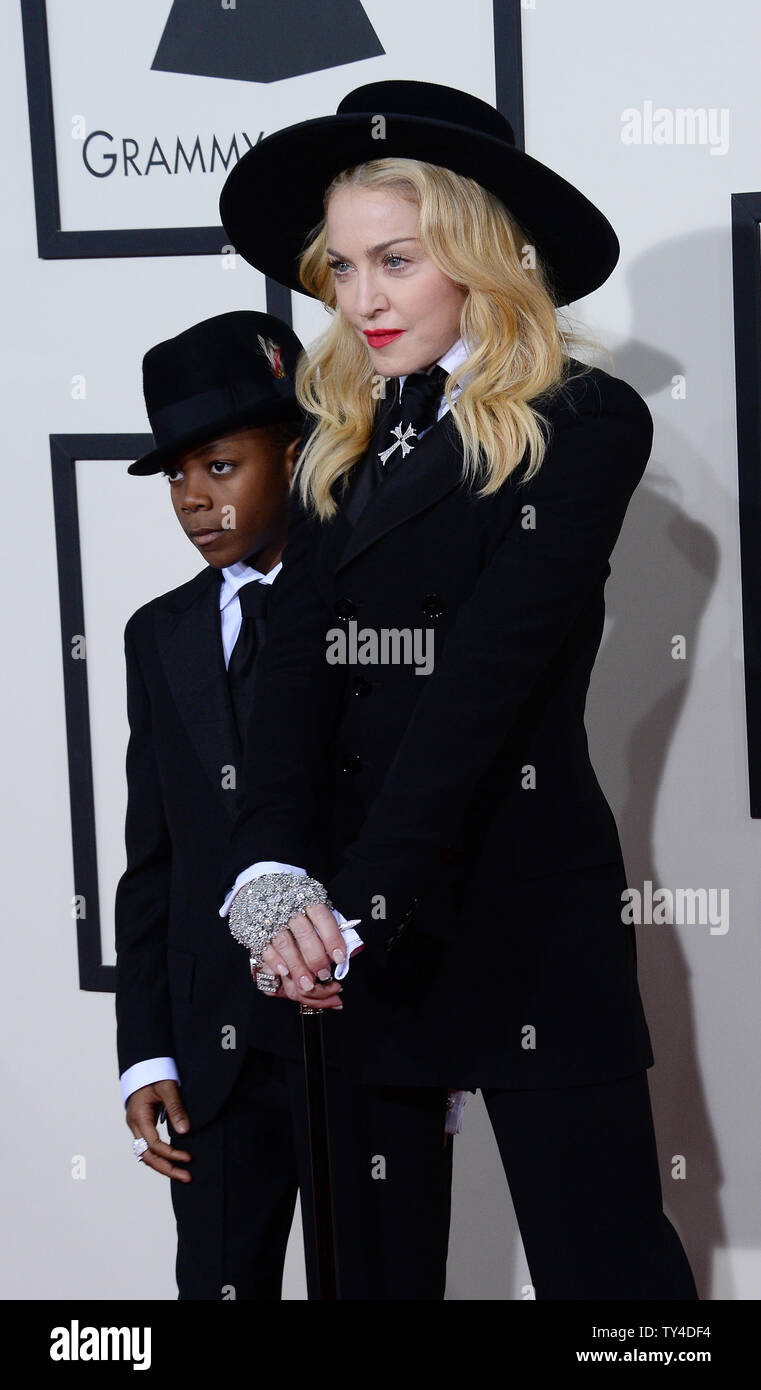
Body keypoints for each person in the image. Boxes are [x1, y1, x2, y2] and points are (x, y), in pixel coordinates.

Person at [216, 80, 699, 1301]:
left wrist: (361, 897)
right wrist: (274, 879)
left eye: (395, 260)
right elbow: (289, 674)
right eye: (338, 268)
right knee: (366, 1278)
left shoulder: (585, 421)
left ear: (482, 257)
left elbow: (483, 682)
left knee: (611, 1285)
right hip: (339, 938)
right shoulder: (333, 430)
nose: (361, 301)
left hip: (520, 909)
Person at [114, 309, 365, 1299]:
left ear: (295, 453)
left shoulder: (368, 607)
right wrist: (145, 1052)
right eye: (177, 476)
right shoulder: (157, 634)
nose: (192, 500)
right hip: (212, 1062)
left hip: (352, 1030)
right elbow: (153, 854)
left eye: (219, 467)